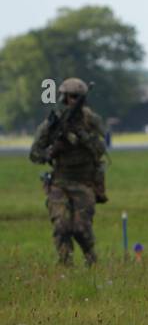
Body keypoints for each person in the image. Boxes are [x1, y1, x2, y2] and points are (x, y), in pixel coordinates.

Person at [29, 78, 107, 266]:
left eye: (77, 97)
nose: (73, 101)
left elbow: (100, 150)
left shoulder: (91, 121)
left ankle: (91, 258)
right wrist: (52, 151)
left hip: (84, 182)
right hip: (60, 181)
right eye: (70, 97)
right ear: (63, 97)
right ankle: (65, 264)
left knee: (81, 228)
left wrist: (81, 135)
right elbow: (34, 154)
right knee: (61, 226)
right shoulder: (53, 123)